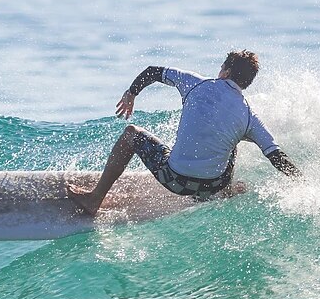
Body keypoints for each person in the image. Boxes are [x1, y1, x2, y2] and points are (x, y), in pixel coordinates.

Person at [68, 50, 301, 215]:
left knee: (131, 133)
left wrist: (132, 93)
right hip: (212, 186)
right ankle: (226, 192)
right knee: (234, 140)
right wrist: (306, 186)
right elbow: (277, 157)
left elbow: (152, 72)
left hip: (176, 180)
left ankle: (94, 199)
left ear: (226, 71)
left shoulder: (196, 83)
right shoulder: (249, 114)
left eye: (222, 67)